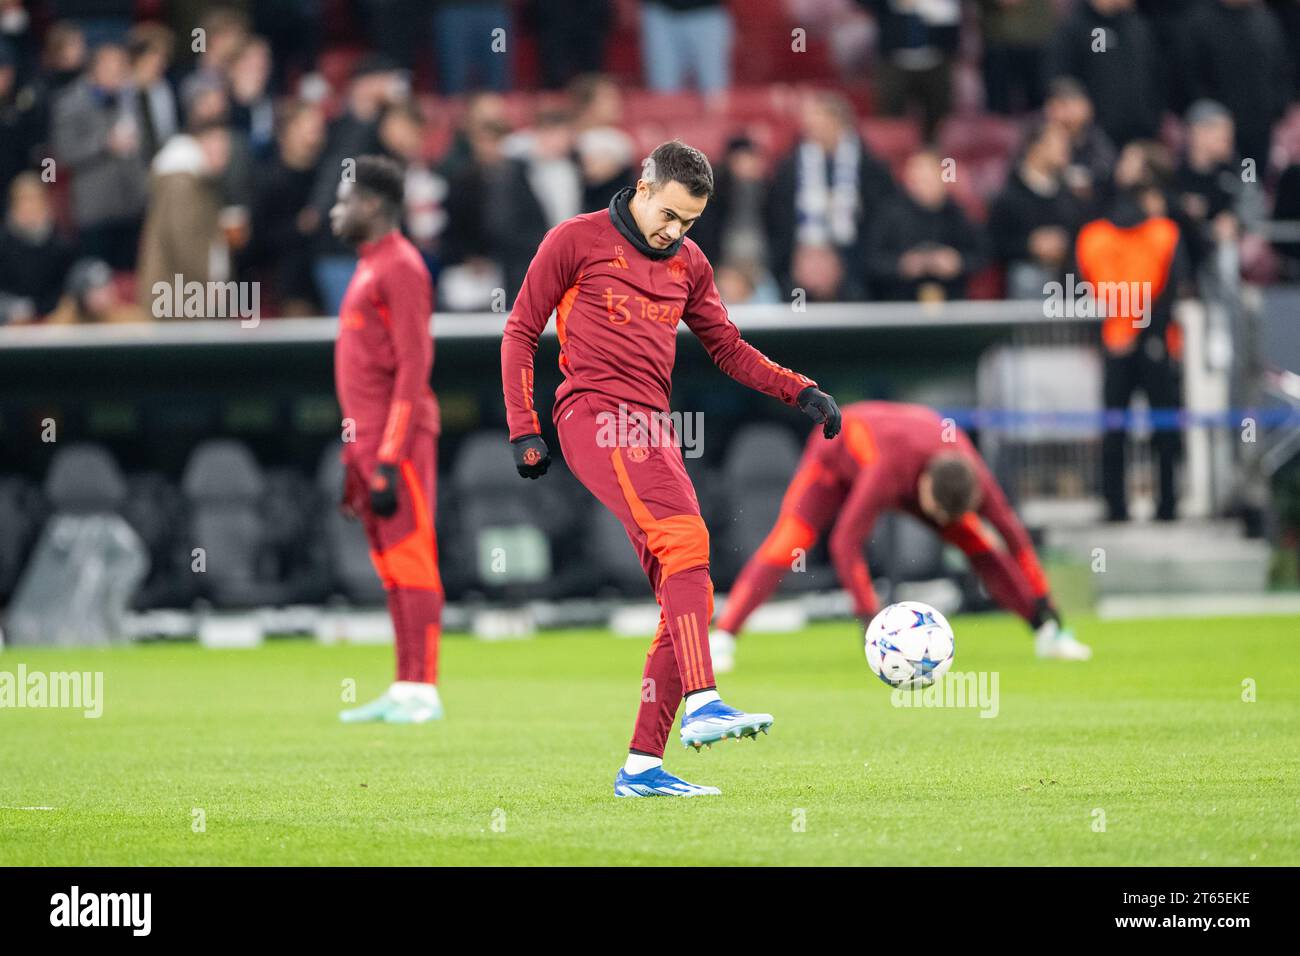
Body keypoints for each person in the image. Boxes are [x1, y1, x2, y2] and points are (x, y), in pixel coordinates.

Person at [500, 140, 842, 797]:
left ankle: (642, 766)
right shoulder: (575, 240)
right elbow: (520, 330)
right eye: (670, 215)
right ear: (644, 187)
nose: (676, 231)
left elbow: (728, 347)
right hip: (595, 413)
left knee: (684, 587)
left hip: (651, 428)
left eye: (690, 222)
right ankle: (705, 700)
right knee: (688, 542)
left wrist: (799, 389)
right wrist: (524, 428)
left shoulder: (689, 263)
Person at [712, 402, 1092, 673]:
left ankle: (1048, 632)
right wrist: (870, 621)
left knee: (981, 547)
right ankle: (723, 637)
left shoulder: (970, 469)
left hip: (903, 470)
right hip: (832, 464)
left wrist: (1047, 604)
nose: (939, 523)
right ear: (925, 486)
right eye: (938, 514)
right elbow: (845, 542)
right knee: (787, 543)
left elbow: (1013, 535)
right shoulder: (889, 469)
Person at [331, 155, 445, 724]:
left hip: (395, 444)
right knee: (392, 567)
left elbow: (413, 366)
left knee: (413, 558)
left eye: (343, 199)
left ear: (372, 204)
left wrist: (387, 456)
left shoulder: (401, 266)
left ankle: (424, 690)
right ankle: (404, 686)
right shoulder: (370, 264)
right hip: (369, 443)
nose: (335, 210)